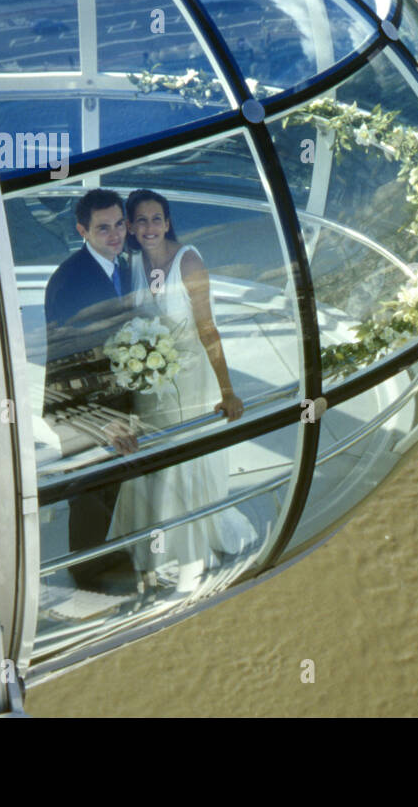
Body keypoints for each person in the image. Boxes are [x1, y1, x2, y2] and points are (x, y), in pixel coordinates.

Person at [110, 189, 256, 594]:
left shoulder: (188, 262)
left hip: (189, 379)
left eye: (156, 219)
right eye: (140, 221)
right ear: (131, 227)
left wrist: (228, 391)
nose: (149, 228)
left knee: (182, 457)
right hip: (147, 384)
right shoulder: (132, 262)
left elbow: (208, 329)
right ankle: (149, 539)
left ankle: (184, 545)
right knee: (151, 454)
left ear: (168, 222)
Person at [43, 188, 140, 591]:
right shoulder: (69, 281)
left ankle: (98, 551)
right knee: (88, 488)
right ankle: (84, 571)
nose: (115, 234)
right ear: (82, 229)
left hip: (114, 394)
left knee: (109, 481)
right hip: (83, 403)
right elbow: (69, 359)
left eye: (119, 224)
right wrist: (98, 421)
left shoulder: (123, 266)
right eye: (104, 228)